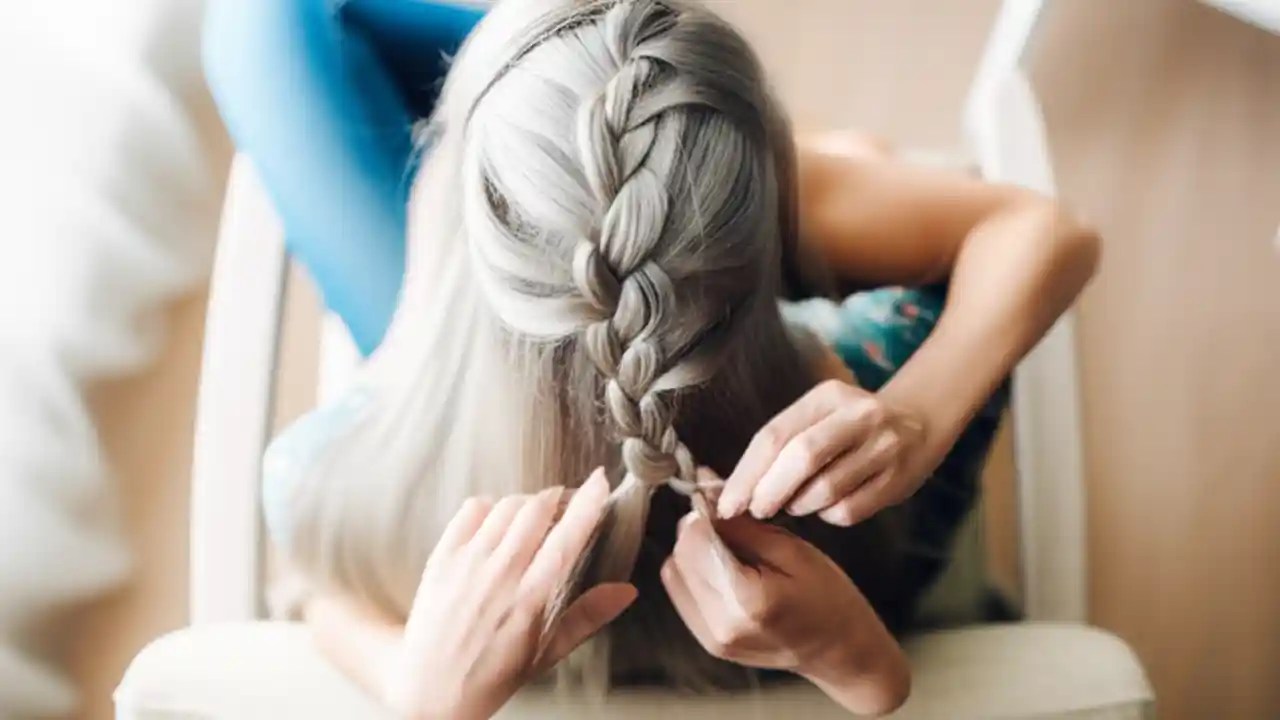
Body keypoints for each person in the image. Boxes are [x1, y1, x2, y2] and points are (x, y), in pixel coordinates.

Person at [248, 0, 1100, 717]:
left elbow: (325, 600)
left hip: (457, 394)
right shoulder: (876, 451)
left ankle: (549, 124)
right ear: (770, 225)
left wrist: (418, 692)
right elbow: (1042, 232)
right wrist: (865, 660)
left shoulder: (331, 483)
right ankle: (676, 140)